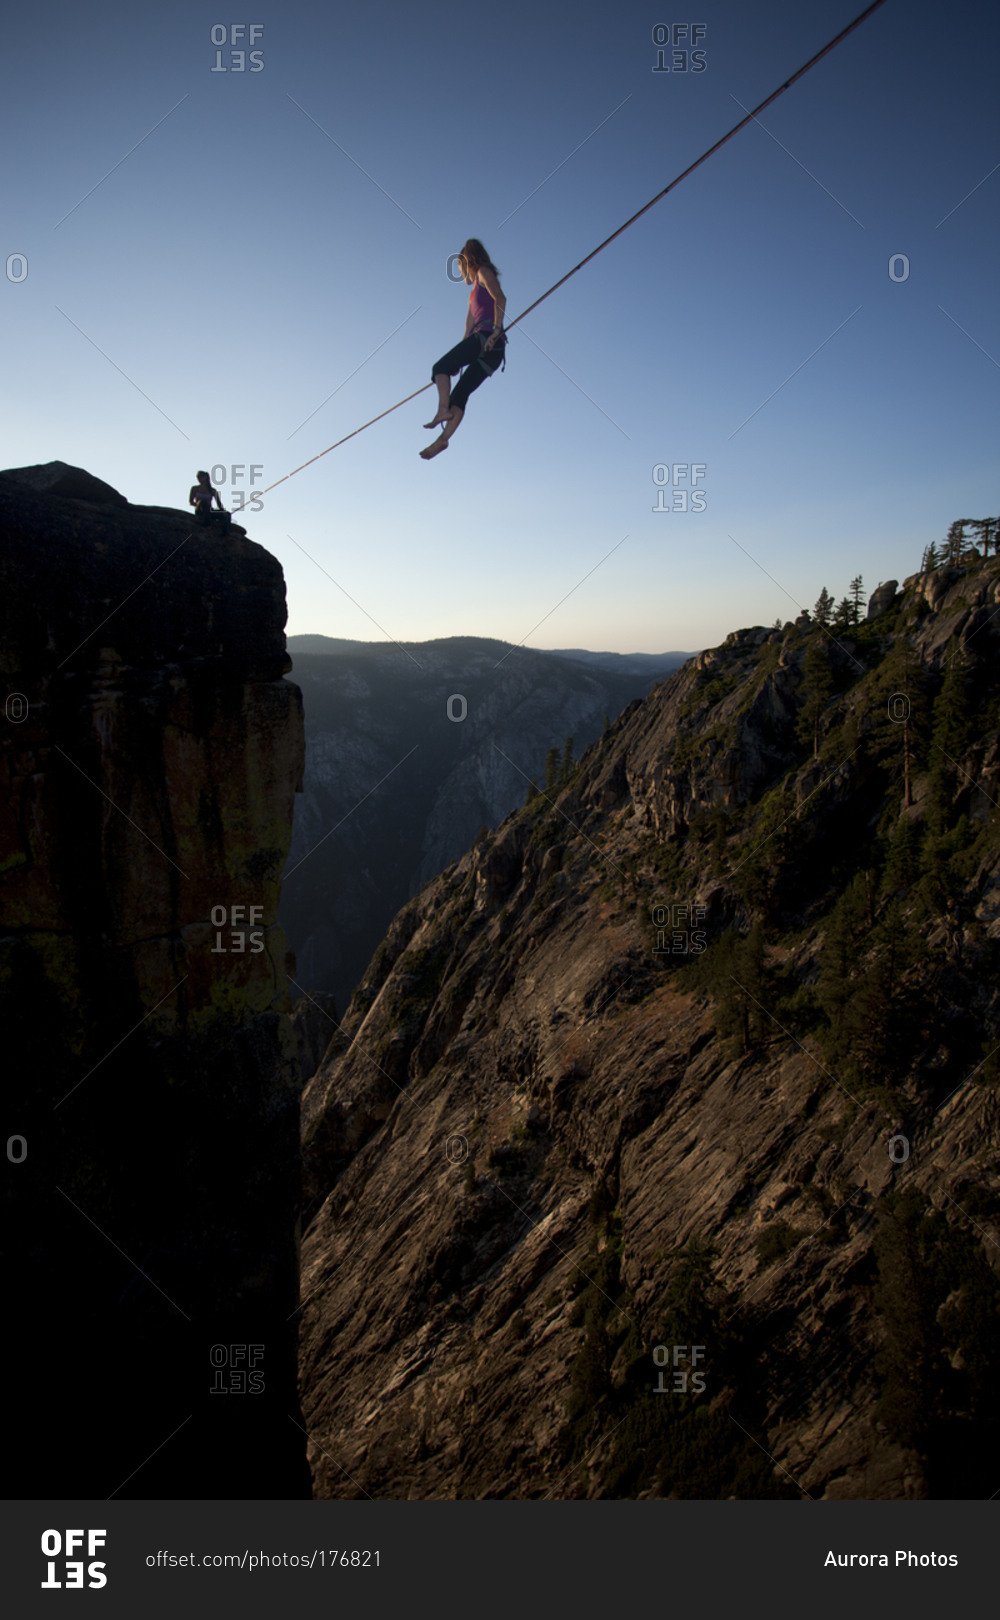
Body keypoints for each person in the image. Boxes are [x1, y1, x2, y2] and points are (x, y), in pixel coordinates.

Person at [420, 239, 506, 460]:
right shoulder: (472, 296)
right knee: (460, 393)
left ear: (469, 262)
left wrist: (496, 331)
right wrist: (458, 362)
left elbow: (500, 298)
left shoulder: (483, 273)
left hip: (488, 339)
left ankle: (442, 410)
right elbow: (467, 329)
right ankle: (443, 440)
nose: (462, 275)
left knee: (439, 367)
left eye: (461, 269)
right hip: (488, 349)